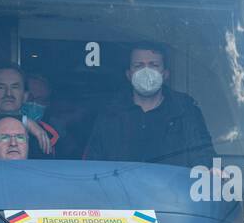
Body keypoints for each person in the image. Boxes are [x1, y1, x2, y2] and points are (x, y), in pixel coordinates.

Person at [84, 43, 215, 167]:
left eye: (154, 65)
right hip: (118, 191)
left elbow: (203, 159)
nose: (146, 71)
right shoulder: (110, 114)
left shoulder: (184, 112)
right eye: (138, 65)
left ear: (165, 74)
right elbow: (93, 166)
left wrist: (211, 170)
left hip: (169, 191)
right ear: (129, 74)